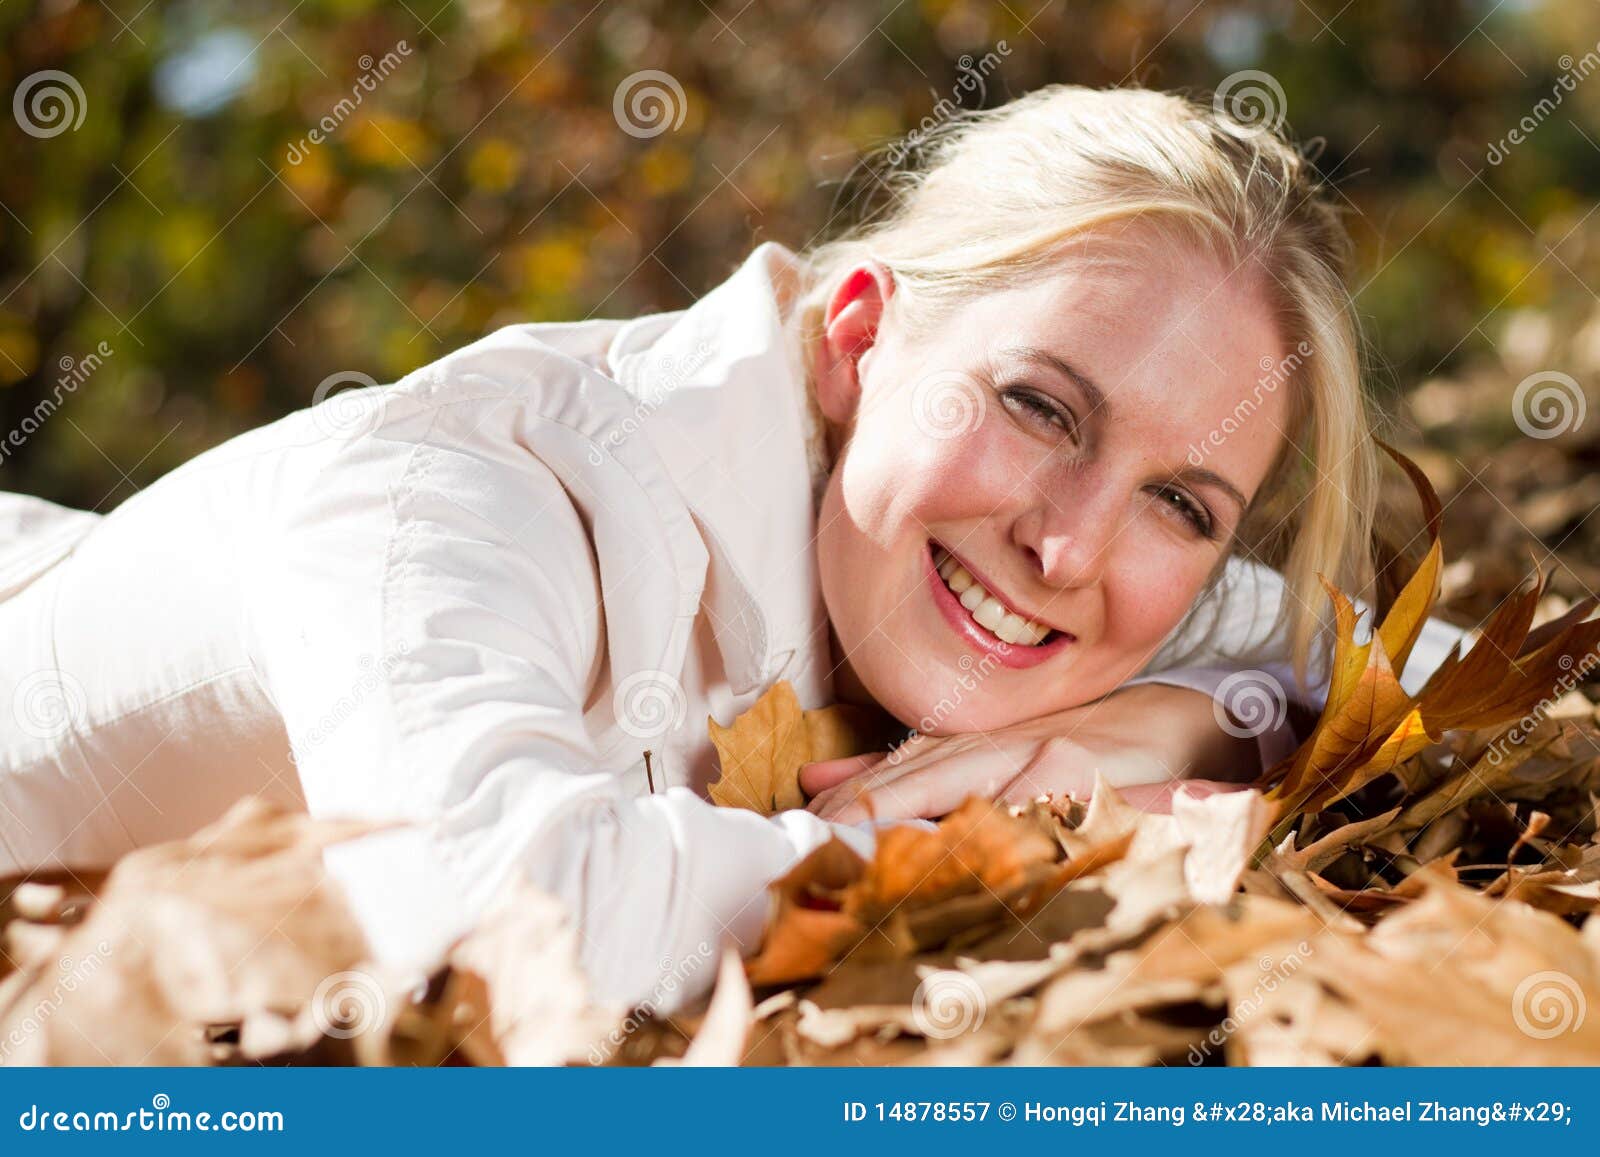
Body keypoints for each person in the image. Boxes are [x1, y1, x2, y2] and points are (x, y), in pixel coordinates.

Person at [0, 85, 1465, 1014]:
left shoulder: (1077, 593)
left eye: (1184, 504)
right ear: (858, 338)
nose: (1071, 542)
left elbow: (1427, 671)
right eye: (1037, 406)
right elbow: (504, 912)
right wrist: (972, 839)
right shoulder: (457, 487)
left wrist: (1186, 714)